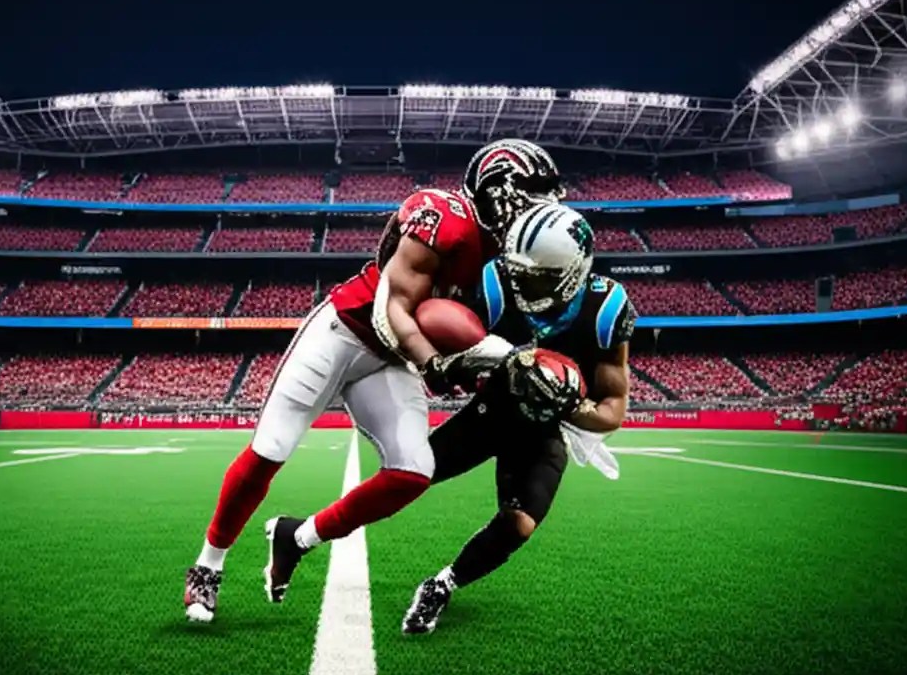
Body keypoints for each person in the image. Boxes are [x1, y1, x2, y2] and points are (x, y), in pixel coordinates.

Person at [184, 140, 565, 623]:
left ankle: (296, 538)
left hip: (390, 363)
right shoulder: (444, 215)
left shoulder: (511, 258)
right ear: (500, 193)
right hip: (346, 331)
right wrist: (433, 361)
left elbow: (469, 331)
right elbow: (395, 311)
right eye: (535, 198)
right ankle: (207, 566)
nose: (544, 212)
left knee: (412, 471)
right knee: (270, 450)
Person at [400, 202, 637, 635]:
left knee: (520, 523)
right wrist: (460, 363)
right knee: (409, 473)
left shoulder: (605, 308)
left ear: (572, 272)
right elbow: (445, 328)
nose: (522, 281)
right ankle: (307, 533)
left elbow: (612, 409)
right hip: (494, 408)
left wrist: (565, 401)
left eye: (538, 274)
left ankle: (442, 585)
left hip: (545, 424)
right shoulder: (495, 282)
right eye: (519, 270)